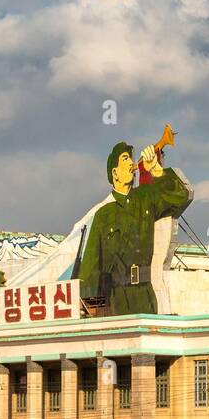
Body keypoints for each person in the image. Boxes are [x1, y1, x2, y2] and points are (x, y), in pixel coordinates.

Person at [78, 133, 193, 316]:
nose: (131, 164)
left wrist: (156, 169)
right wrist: (94, 312)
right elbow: (91, 269)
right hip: (115, 298)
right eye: (125, 159)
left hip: (144, 294)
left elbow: (180, 196)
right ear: (115, 173)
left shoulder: (145, 198)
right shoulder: (103, 215)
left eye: (131, 160)